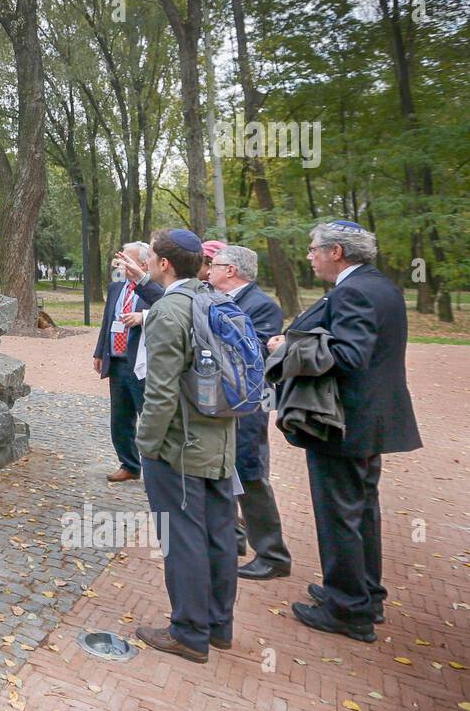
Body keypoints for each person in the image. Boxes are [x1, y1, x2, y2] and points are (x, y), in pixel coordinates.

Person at [267, 221, 421, 643]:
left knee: (340, 516)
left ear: (336, 251)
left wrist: (288, 348)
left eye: (314, 249)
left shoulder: (353, 290)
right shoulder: (381, 286)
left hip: (344, 423)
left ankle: (346, 610)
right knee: (361, 511)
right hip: (371, 421)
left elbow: (351, 355)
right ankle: (363, 594)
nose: (309, 255)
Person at [134, 228, 239, 663]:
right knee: (219, 532)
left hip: (179, 444)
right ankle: (218, 625)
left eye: (153, 257)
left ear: (164, 264)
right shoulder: (218, 300)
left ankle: (189, 632)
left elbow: (159, 393)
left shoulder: (169, 311)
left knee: (182, 537)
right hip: (221, 439)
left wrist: (147, 445)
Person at [208, 244, 291, 579]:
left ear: (231, 270)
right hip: (223, 402)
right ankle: (234, 539)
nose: (208, 269)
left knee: (251, 475)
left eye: (213, 264)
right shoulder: (218, 299)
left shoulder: (262, 306)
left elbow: (251, 352)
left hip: (249, 405)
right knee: (226, 470)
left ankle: (273, 554)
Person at [92, 241, 164, 482]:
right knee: (120, 418)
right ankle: (129, 465)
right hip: (117, 362)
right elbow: (107, 321)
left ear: (143, 263)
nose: (120, 264)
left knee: (148, 417)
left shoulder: (156, 288)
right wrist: (100, 352)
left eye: (126, 259)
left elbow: (170, 312)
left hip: (142, 364)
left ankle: (158, 472)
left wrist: (143, 317)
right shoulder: (116, 287)